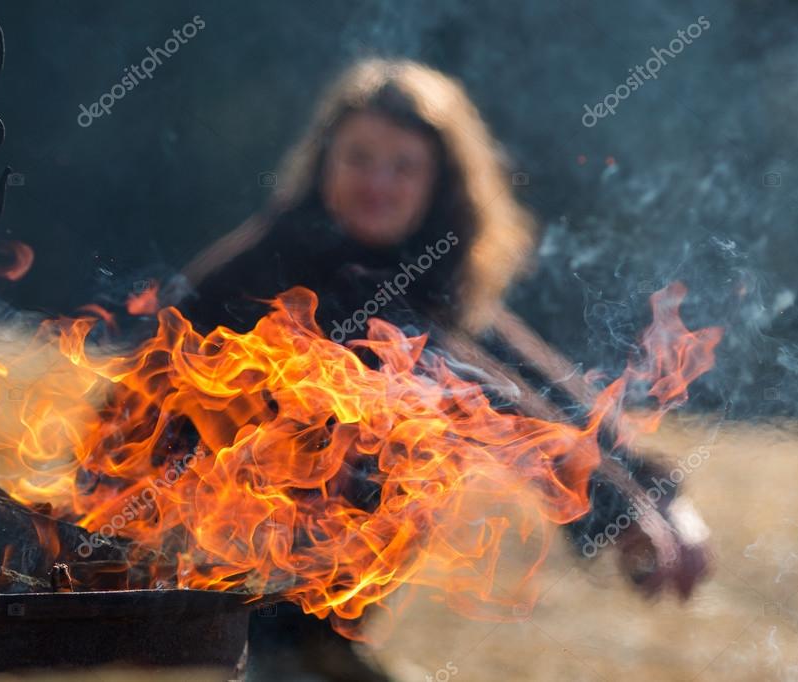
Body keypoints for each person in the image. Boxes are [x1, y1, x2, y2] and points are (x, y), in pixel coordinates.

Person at [172, 58, 709, 681]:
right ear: (324, 165)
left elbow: (528, 373)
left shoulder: (414, 265)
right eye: (359, 159)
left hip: (265, 577)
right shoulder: (292, 261)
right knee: (410, 420)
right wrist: (616, 513)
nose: (378, 182)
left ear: (440, 184)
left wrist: (662, 497)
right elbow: (471, 390)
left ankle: (314, 642)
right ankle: (282, 650)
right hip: (179, 560)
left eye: (403, 166)